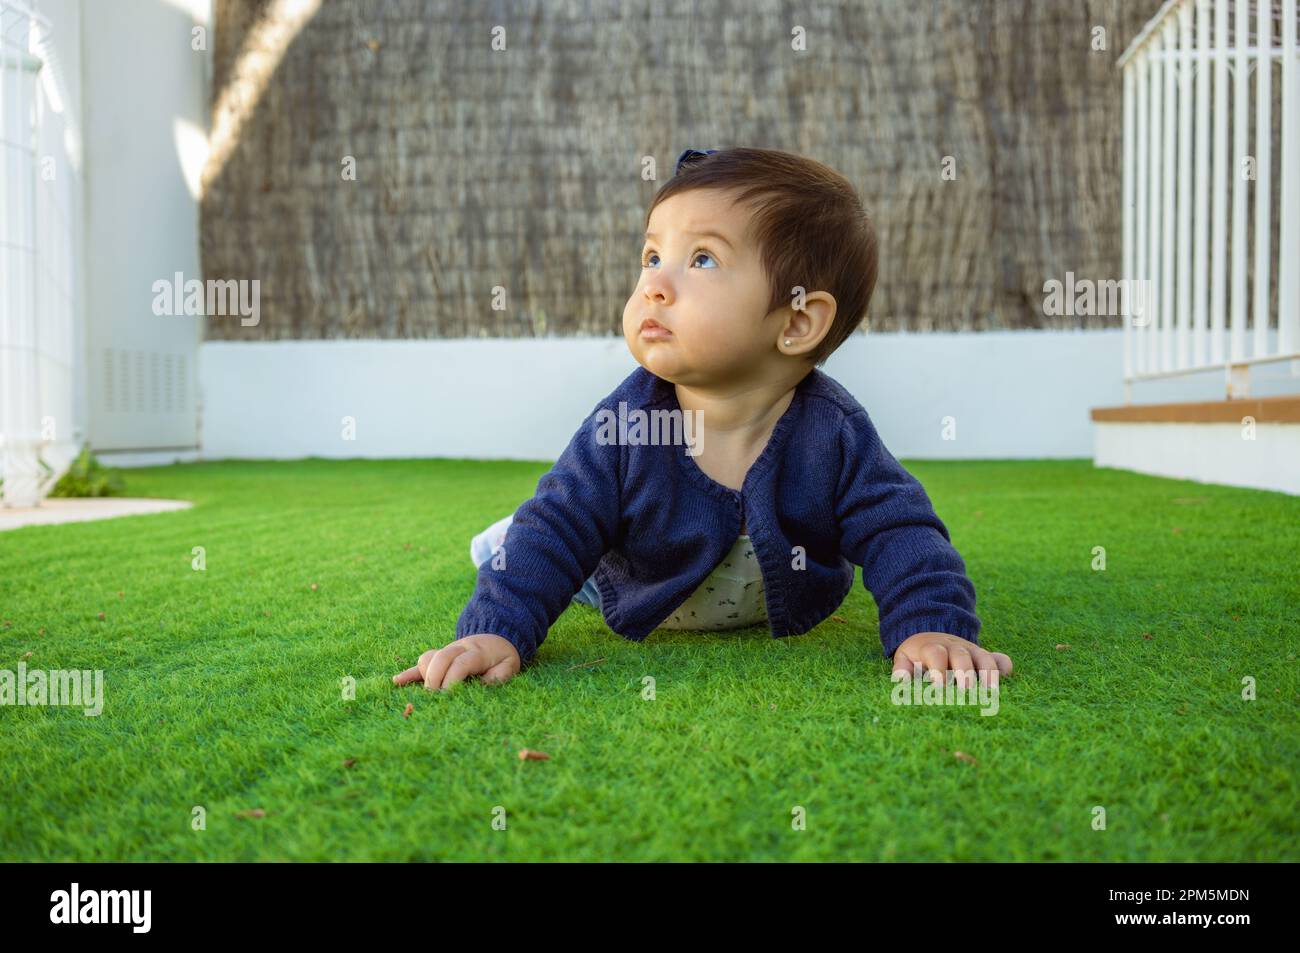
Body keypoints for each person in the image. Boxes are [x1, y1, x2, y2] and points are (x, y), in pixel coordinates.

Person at [393, 147, 1012, 692]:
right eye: (652, 254)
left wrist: (931, 624)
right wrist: (497, 631)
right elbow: (559, 524)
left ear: (797, 321)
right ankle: (499, 542)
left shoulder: (833, 433)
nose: (655, 285)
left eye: (703, 260)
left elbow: (900, 530)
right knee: (542, 540)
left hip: (777, 598)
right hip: (636, 578)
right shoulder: (628, 426)